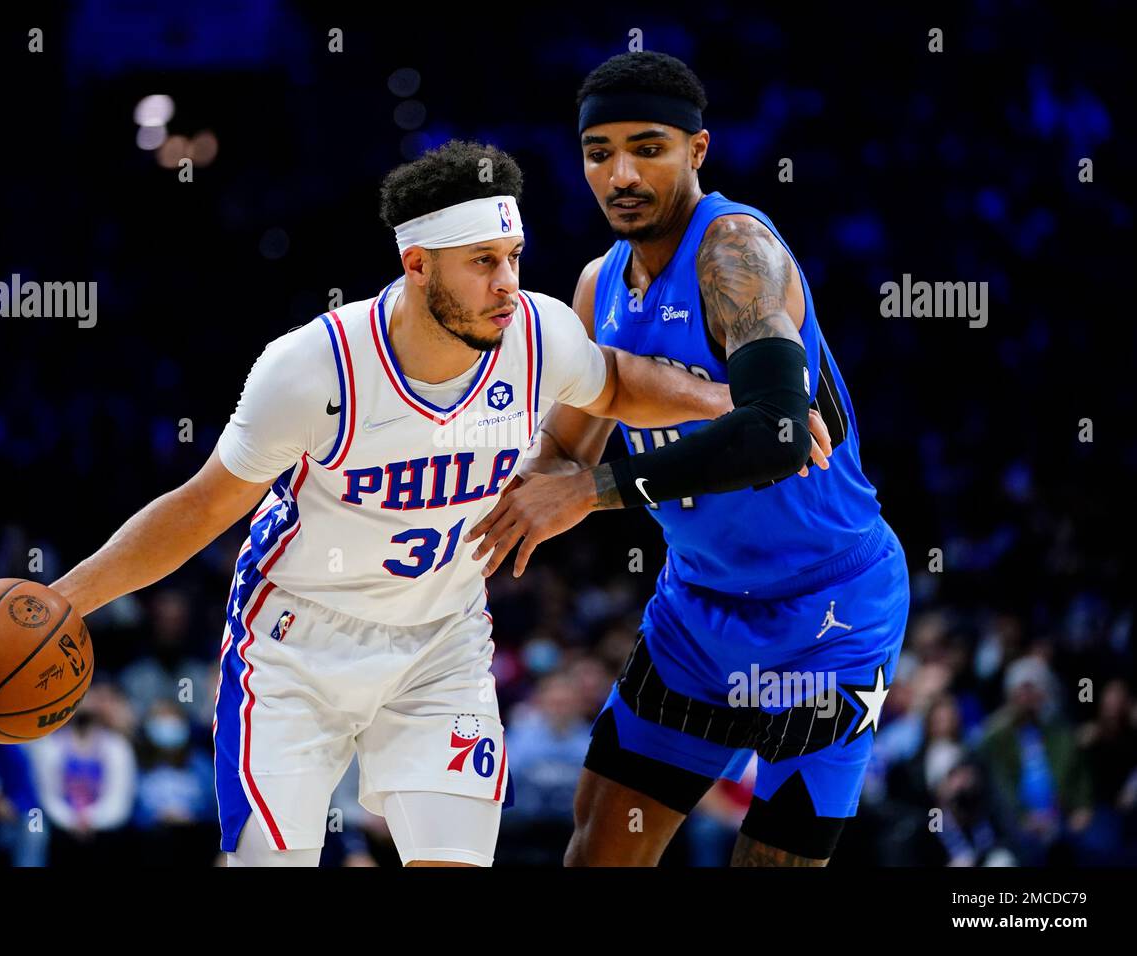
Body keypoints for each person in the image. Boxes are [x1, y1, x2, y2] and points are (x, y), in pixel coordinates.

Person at [50, 139, 830, 868]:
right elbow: (198, 509)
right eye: (482, 263)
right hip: (296, 645)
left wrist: (732, 401)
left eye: (515, 257)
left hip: (441, 645)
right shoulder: (311, 369)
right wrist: (62, 602)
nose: (506, 283)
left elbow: (619, 381)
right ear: (419, 265)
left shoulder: (536, 333)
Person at [467, 52, 910, 866]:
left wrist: (593, 494)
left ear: (698, 151)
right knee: (597, 851)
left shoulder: (735, 251)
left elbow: (778, 434)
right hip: (698, 614)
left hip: (827, 612)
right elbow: (562, 448)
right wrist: (461, 518)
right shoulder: (599, 287)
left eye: (648, 147)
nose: (621, 173)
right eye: (599, 152)